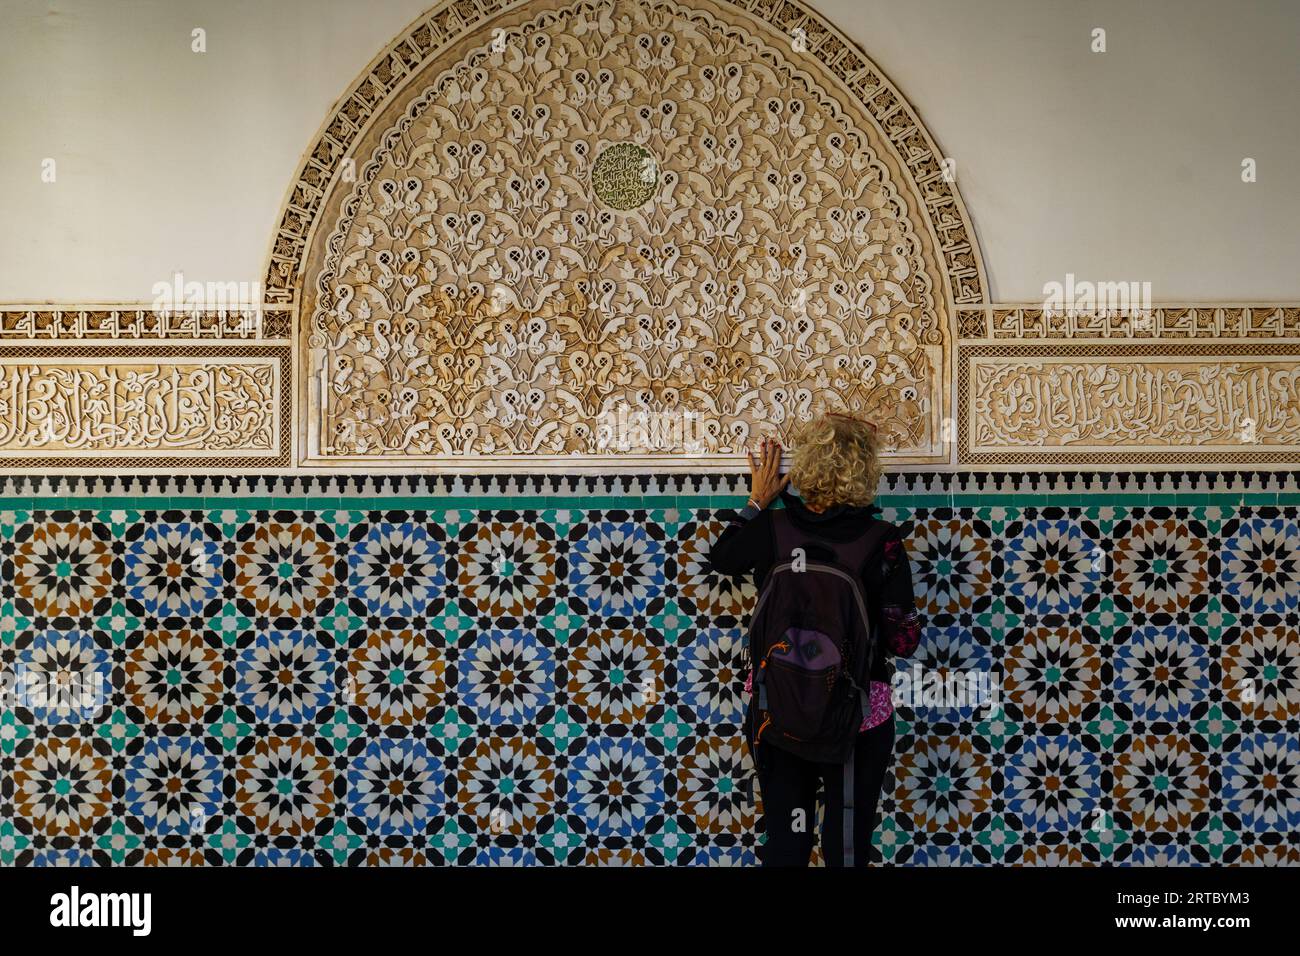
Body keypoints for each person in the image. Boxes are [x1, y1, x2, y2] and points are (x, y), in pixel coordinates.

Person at [707, 413, 922, 866]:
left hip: (778, 710)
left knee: (788, 842)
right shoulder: (881, 540)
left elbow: (722, 559)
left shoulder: (774, 528)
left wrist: (757, 502)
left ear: (805, 465)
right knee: (846, 843)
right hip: (856, 716)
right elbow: (904, 642)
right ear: (866, 470)